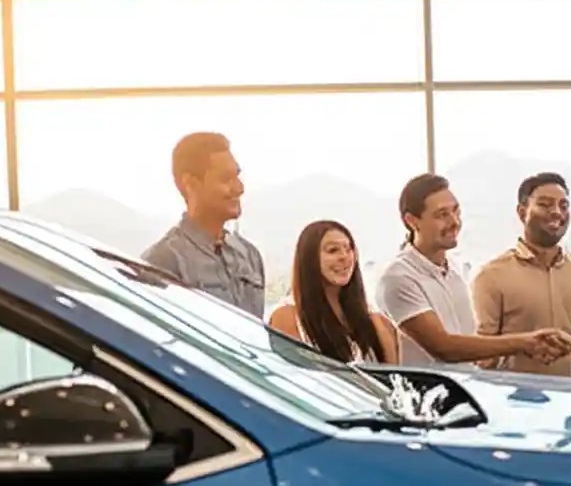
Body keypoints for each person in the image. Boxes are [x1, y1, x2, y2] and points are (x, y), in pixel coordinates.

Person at [375, 173, 571, 367]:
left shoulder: (455, 269)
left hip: (466, 386)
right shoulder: (398, 278)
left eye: (456, 211)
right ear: (412, 221)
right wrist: (525, 343)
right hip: (426, 389)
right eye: (442, 215)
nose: (454, 222)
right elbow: (444, 348)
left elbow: (469, 342)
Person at [470, 173, 571, 381]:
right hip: (516, 399)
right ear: (522, 212)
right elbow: (481, 357)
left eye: (563, 206)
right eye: (545, 205)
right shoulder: (490, 276)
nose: (556, 212)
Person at [142, 132, 266, 318]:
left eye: (237, 177)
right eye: (226, 179)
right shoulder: (163, 261)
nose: (239, 188)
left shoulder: (250, 255)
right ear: (190, 184)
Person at [269, 220, 399, 364]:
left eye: (349, 249)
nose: (344, 256)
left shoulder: (376, 320)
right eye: (333, 250)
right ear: (309, 258)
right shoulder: (288, 316)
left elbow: (393, 374)